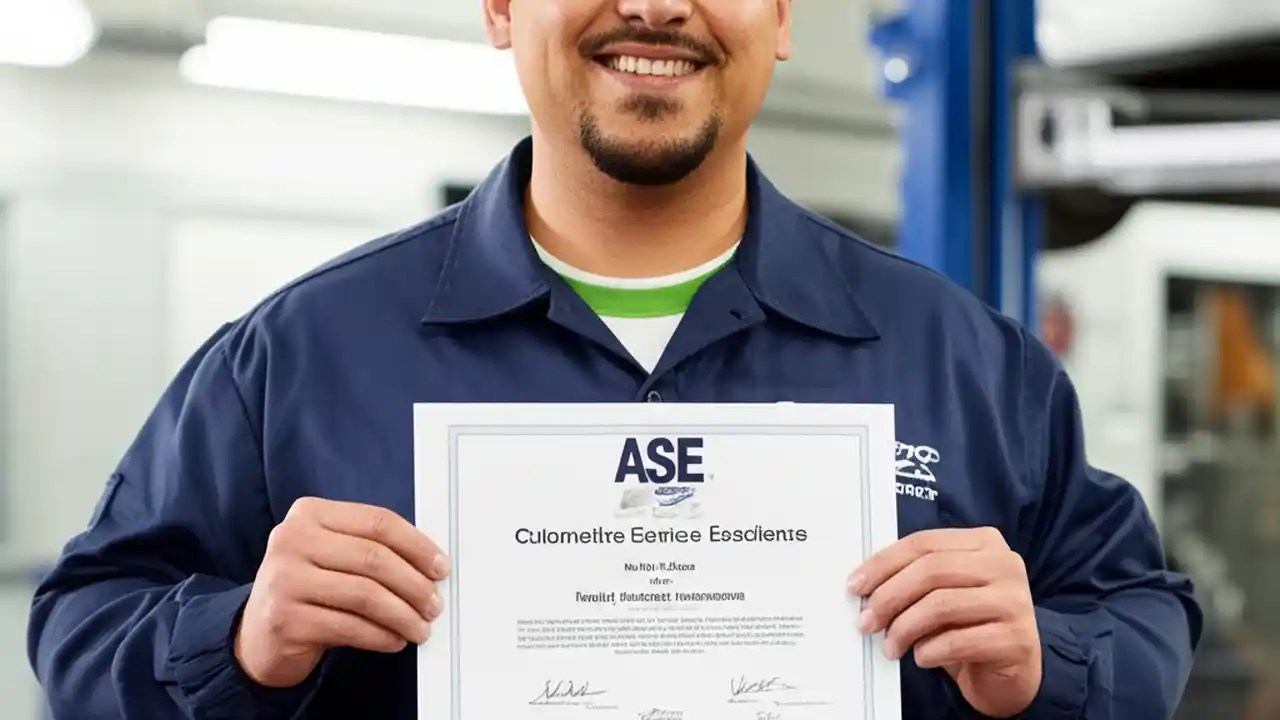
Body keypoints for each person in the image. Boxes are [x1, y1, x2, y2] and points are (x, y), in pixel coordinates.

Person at [27, 1, 1201, 718]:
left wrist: (1043, 660)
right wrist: (240, 640)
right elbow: (81, 636)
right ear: (498, 6)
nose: (652, 6)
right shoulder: (296, 355)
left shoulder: (965, 364)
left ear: (781, 17)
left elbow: (1140, 618)